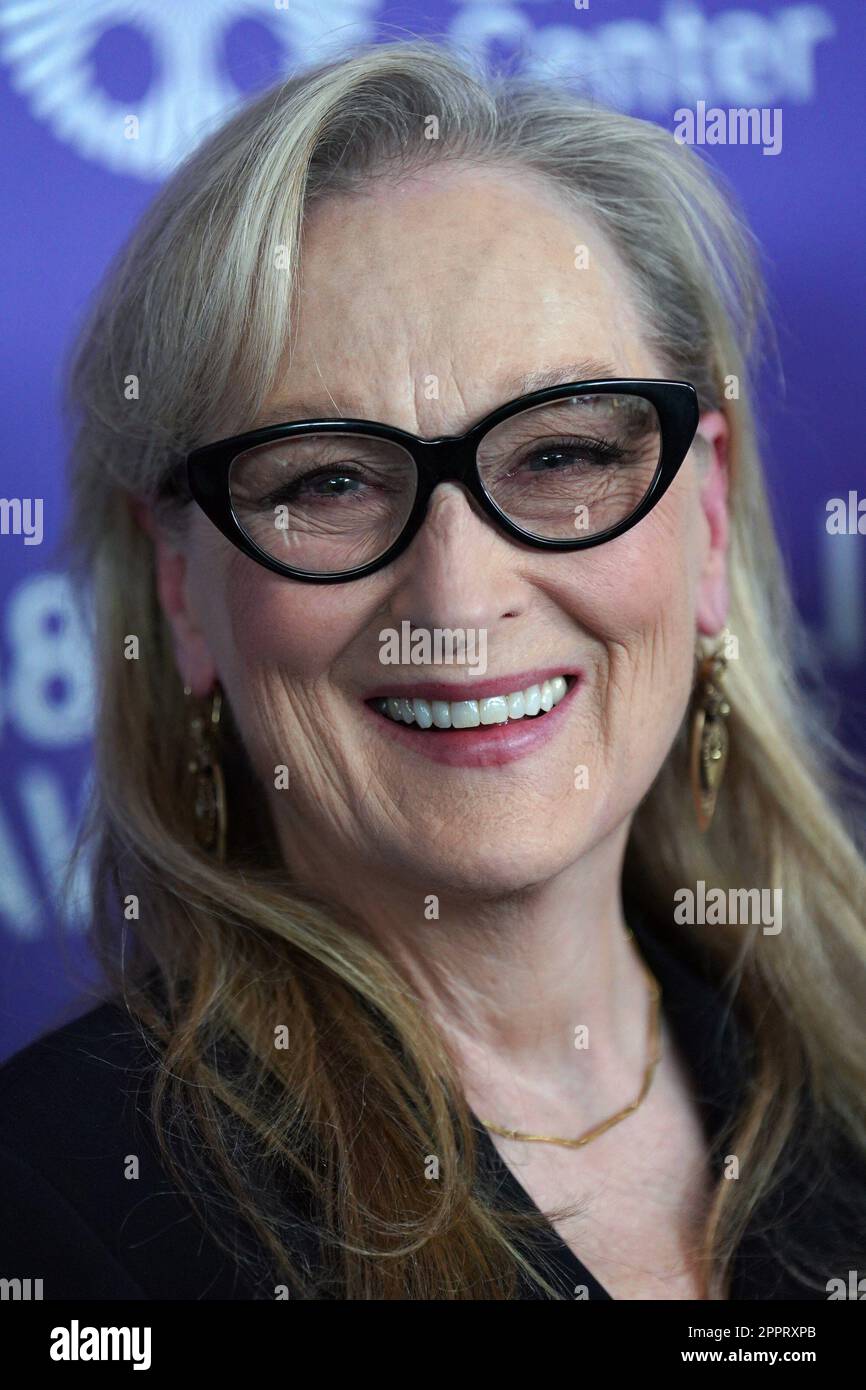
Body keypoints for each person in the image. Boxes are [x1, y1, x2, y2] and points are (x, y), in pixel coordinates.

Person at [1, 38, 865, 1301]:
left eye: (562, 455)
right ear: (183, 591)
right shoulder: (58, 1217)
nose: (455, 601)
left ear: (710, 513)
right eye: (329, 481)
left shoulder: (835, 1071)